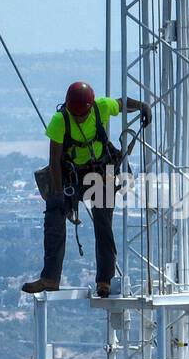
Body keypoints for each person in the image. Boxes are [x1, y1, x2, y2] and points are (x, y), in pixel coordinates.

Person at [21, 81, 150, 298]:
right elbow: (54, 161)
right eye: (76, 114)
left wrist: (142, 106)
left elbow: (122, 103)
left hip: (100, 172)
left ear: (90, 107)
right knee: (54, 216)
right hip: (71, 174)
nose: (79, 118)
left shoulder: (101, 106)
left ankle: (104, 281)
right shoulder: (60, 120)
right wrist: (60, 195)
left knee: (103, 224)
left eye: (82, 114)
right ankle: (50, 278)